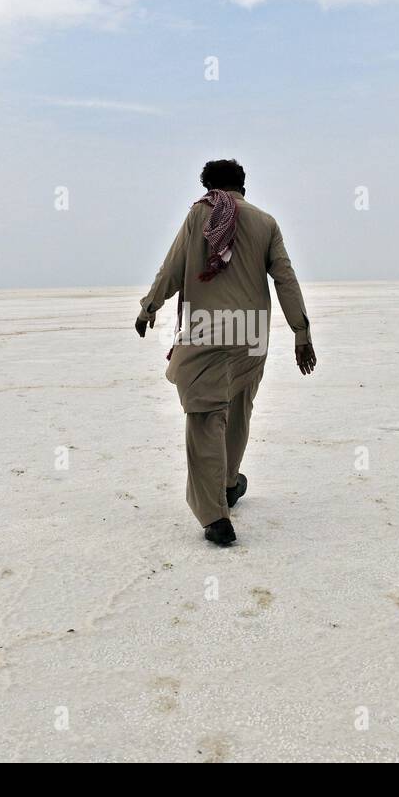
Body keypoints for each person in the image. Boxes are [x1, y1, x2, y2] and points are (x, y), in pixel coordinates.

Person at [136, 159, 315, 546]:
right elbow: (285, 277)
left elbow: (173, 268)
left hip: (206, 332)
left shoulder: (201, 215)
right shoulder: (265, 222)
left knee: (206, 418)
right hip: (252, 335)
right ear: (243, 186)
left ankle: (215, 516)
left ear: (207, 185)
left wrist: (150, 306)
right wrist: (301, 331)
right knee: (237, 410)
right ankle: (230, 483)